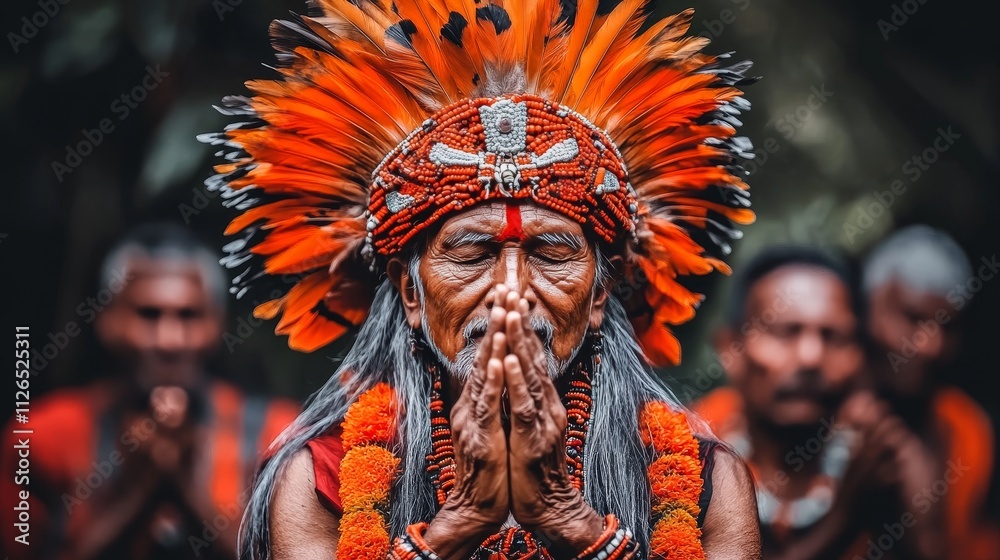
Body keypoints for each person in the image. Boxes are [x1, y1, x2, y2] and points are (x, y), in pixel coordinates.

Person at [200, 0, 762, 558]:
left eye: (551, 253)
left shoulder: (704, 481)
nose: (511, 291)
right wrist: (459, 524)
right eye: (470, 254)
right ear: (409, 292)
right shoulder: (322, 481)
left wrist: (572, 525)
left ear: (600, 294)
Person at [1, 223, 299, 560]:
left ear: (218, 323)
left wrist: (183, 485)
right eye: (148, 315)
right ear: (107, 320)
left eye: (188, 316)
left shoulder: (276, 434)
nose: (169, 340)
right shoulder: (43, 436)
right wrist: (141, 489)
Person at [695, 247, 945, 559]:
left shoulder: (882, 454)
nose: (811, 357)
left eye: (833, 336)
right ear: (731, 349)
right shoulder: (688, 454)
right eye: (786, 331)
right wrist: (842, 522)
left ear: (859, 355)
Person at [863, 225, 997, 560]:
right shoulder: (813, 407)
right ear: (870, 309)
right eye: (912, 317)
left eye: (946, 326)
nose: (930, 345)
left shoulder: (967, 428)